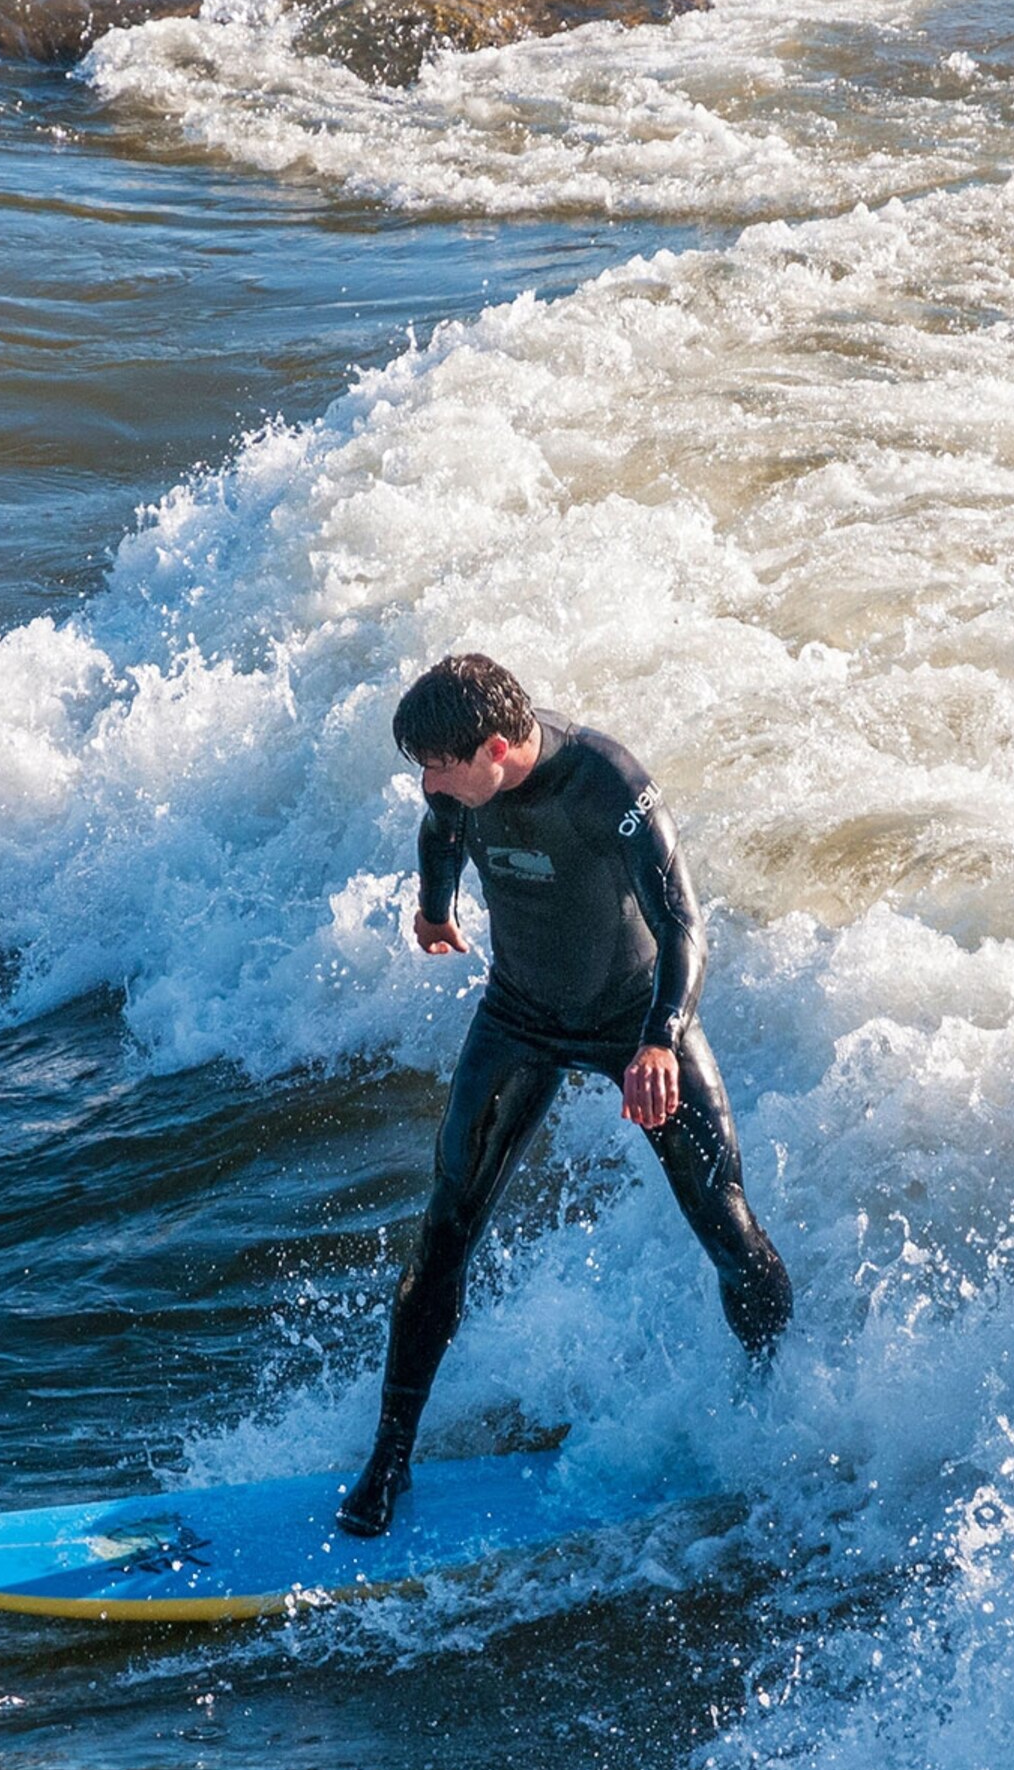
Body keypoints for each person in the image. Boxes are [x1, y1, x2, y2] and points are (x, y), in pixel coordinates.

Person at [337, 654, 791, 1536]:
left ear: (497, 749)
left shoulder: (606, 782)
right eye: (421, 768)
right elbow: (441, 832)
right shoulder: (453, 786)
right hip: (521, 1015)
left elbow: (685, 924)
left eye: (440, 766)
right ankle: (390, 1457)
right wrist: (435, 909)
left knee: (727, 1226)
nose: (428, 784)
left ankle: (773, 1409)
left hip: (636, 1020)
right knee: (444, 1231)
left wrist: (659, 1040)